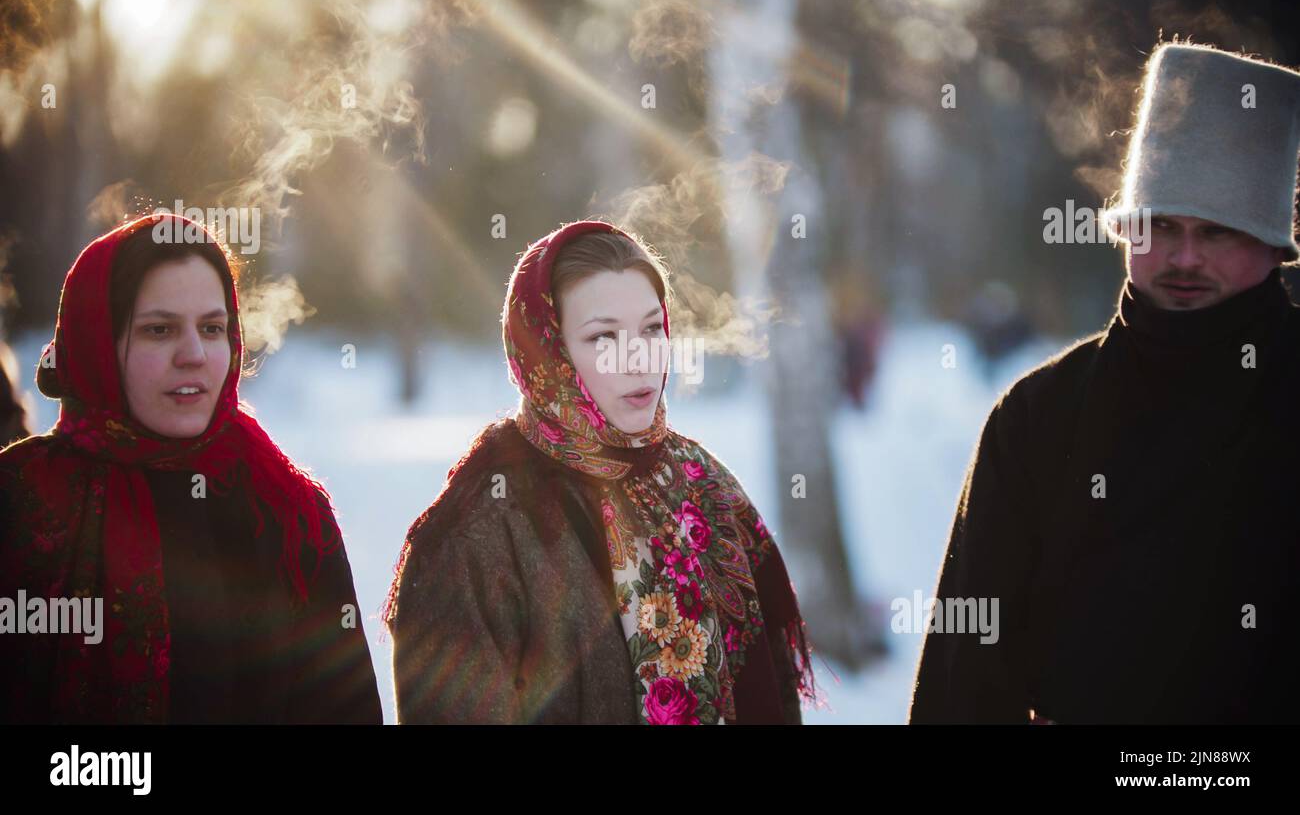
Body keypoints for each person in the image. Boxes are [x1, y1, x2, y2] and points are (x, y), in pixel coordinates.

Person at [910, 42, 1300, 723]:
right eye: (1160, 225)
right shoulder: (1040, 414)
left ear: (1272, 244)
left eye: (1215, 232)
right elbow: (968, 667)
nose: (1183, 256)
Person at [385, 219, 817, 724]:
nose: (638, 359)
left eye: (651, 329)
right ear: (548, 352)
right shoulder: (474, 535)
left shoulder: (708, 488)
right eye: (603, 337)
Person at [0, 213, 382, 723]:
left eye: (212, 328)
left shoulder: (285, 510)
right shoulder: (21, 500)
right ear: (96, 342)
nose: (195, 355)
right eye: (159, 330)